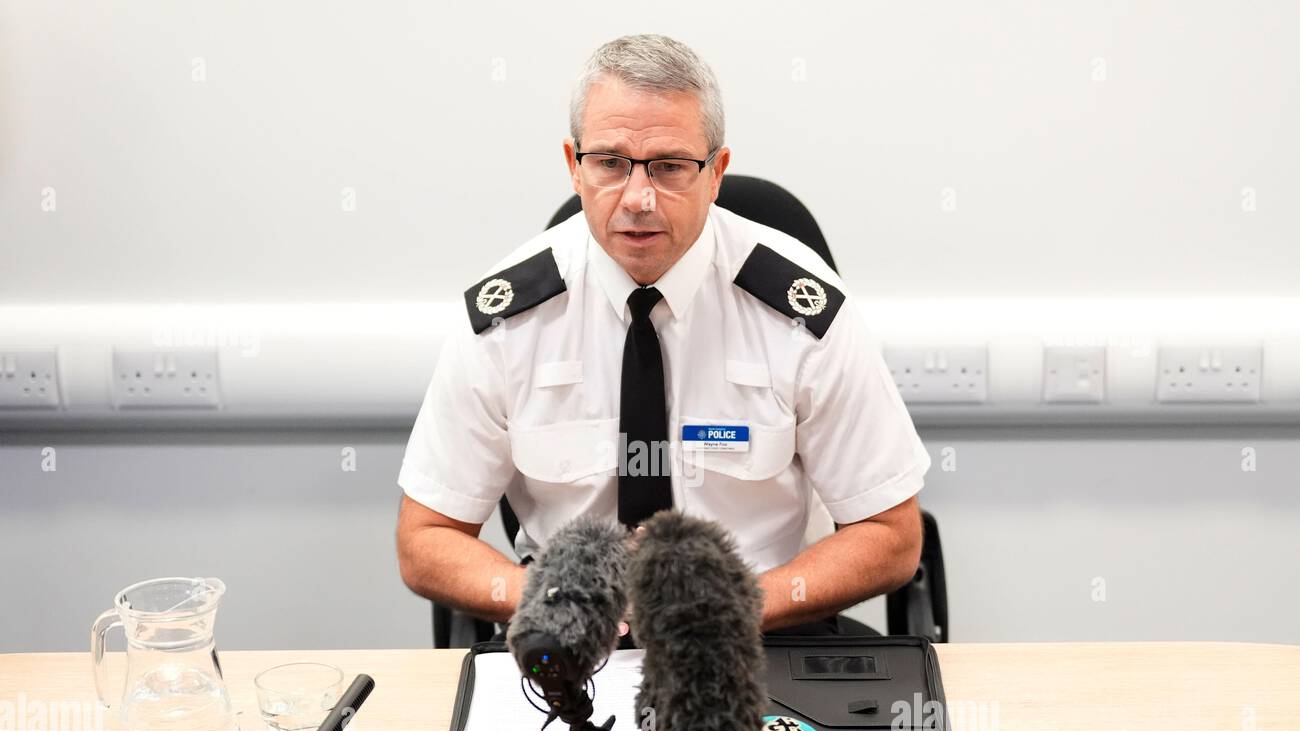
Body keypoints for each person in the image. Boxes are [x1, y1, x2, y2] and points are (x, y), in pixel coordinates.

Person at [397, 33, 930, 635]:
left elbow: (891, 536)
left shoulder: (802, 312)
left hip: (761, 631)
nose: (638, 199)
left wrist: (734, 605)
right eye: (610, 164)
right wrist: (555, 601)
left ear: (716, 173)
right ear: (575, 167)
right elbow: (426, 538)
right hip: (569, 635)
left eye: (671, 167)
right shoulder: (506, 321)